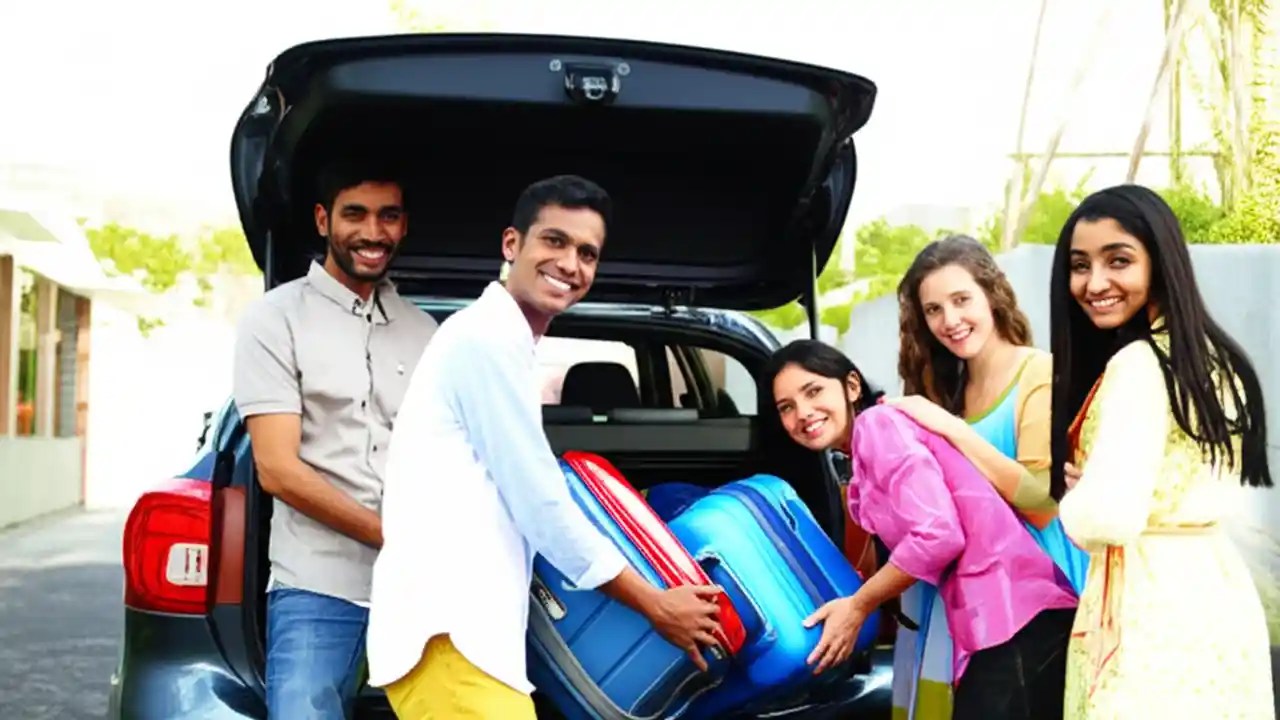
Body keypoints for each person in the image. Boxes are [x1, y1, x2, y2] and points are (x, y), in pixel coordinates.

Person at [366, 175, 724, 719]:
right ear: (512, 245)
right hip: (450, 635)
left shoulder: (502, 340)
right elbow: (541, 502)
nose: (570, 264)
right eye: (554, 241)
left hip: (465, 641)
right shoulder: (485, 340)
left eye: (587, 253)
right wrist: (653, 603)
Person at [1048, 184, 1274, 719]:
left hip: (1149, 606)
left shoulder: (1138, 365)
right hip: (1216, 591)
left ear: (1161, 259)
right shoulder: (1215, 360)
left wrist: (1076, 498)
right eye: (1080, 265)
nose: (1094, 283)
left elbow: (1107, 516)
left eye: (1118, 260)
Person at [769, 339, 1078, 720]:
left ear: (851, 386)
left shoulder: (877, 425)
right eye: (786, 407)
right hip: (1008, 620)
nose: (803, 413)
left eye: (813, 391)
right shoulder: (863, 452)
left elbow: (938, 536)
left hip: (1016, 618)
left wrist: (859, 605)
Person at [232, 160, 439, 718]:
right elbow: (276, 469)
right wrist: (395, 538)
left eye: (388, 216)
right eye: (356, 214)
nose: (373, 232)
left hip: (426, 587)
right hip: (319, 583)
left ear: (403, 226)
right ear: (323, 221)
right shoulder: (275, 320)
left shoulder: (427, 332)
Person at [892, 234, 1089, 592]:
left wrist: (953, 430)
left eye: (961, 299)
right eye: (933, 309)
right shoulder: (945, 388)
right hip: (974, 588)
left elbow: (1042, 504)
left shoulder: (1037, 372)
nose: (950, 320)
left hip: (1041, 587)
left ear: (992, 294)